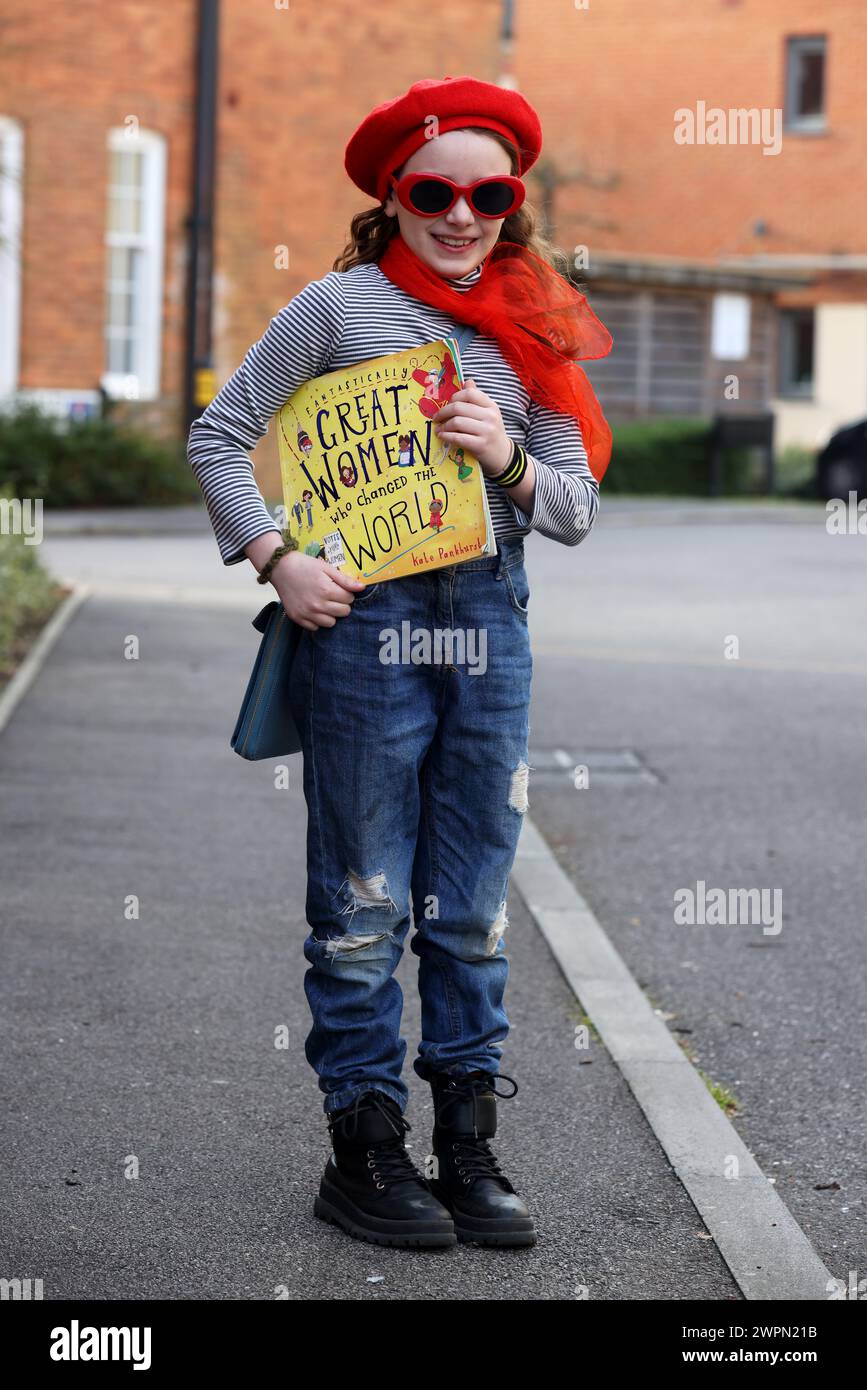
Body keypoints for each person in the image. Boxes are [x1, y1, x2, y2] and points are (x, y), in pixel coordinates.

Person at [187, 75, 611, 1251]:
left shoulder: (539, 326)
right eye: (436, 190)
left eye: (489, 192)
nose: (462, 213)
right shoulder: (335, 309)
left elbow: (575, 506)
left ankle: (465, 1144)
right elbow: (219, 435)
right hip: (363, 627)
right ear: (396, 193)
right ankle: (366, 1149)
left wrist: (509, 462)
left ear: (511, 202)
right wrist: (278, 558)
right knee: (366, 901)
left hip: (489, 622)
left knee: (469, 909)